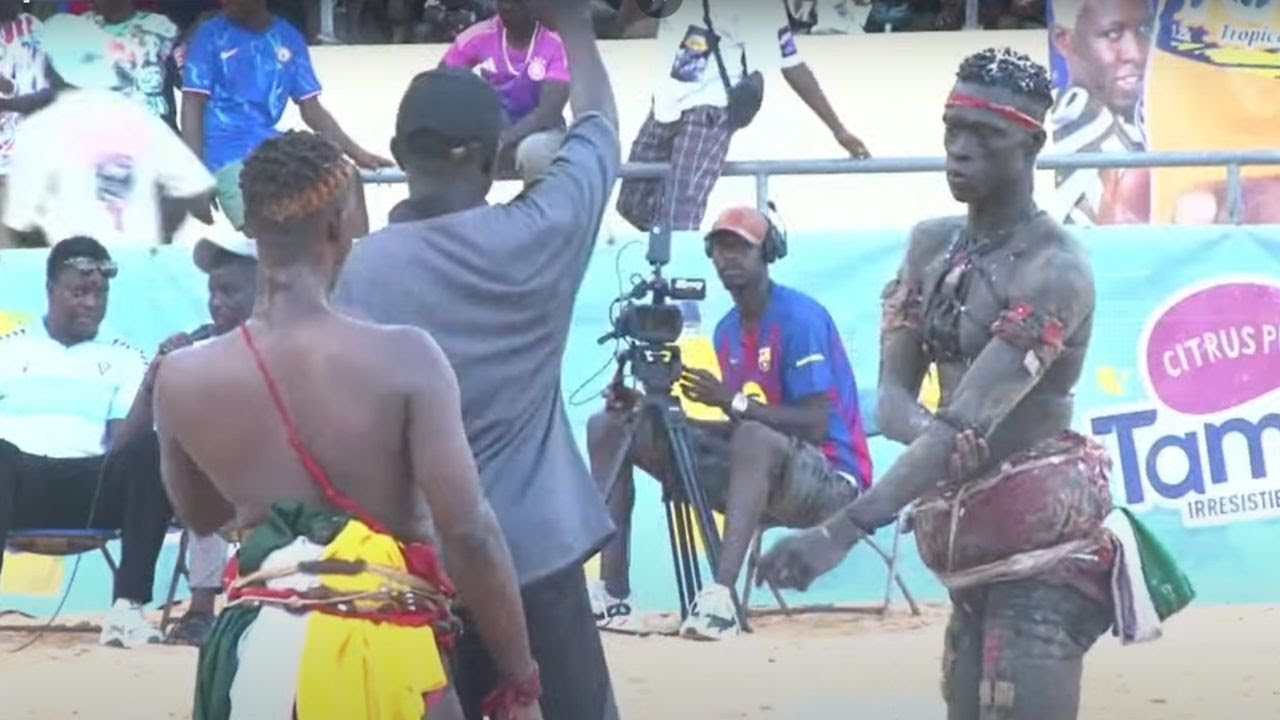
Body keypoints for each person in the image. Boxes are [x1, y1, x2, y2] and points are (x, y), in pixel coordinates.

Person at [758, 48, 1117, 719]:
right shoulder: (930, 244)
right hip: (972, 544)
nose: (959, 149)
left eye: (986, 135)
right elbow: (894, 401)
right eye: (953, 128)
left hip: (1043, 556)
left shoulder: (1055, 268)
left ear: (1033, 145)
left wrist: (838, 533)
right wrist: (940, 439)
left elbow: (969, 417)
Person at [152, 131, 542, 720]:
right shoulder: (408, 358)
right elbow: (469, 532)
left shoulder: (180, 376)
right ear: (340, 226)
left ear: (252, 231)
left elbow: (203, 517)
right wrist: (521, 679)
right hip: (385, 650)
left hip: (253, 658)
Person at [330, 1, 619, 716]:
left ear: (398, 157)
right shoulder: (544, 233)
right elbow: (599, 125)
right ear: (493, 158)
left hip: (419, 571)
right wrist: (573, 25)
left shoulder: (357, 275)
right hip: (539, 558)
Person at [587, 205, 873, 641]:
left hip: (832, 482)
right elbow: (736, 430)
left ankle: (720, 598)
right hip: (765, 473)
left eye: (741, 247)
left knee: (755, 436)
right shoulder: (726, 331)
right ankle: (613, 593)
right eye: (720, 249)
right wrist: (651, 411)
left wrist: (731, 400)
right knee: (611, 425)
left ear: (768, 253)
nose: (728, 258)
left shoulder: (800, 317)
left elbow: (814, 423)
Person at [0, 236, 173, 648]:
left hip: (89, 487)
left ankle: (127, 611)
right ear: (50, 290)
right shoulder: (8, 349)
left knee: (151, 450)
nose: (92, 303)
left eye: (100, 293)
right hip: (15, 483)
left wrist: (150, 387)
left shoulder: (125, 357)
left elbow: (122, 448)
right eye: (79, 292)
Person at [612, 0, 870, 232]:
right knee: (632, 206)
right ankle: (669, 252)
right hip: (666, 105)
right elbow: (625, 22)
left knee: (680, 218)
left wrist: (838, 129)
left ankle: (678, 272)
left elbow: (792, 64)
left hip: (710, 113)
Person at [2, 14, 215, 248]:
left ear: (49, 69)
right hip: (140, 262)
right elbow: (194, 189)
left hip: (74, 275)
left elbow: (19, 224)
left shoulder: (39, 130)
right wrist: (161, 233)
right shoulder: (139, 117)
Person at [180, 0, 391, 232]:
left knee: (348, 178)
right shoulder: (210, 35)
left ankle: (354, 265)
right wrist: (194, 177)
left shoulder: (288, 37)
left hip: (271, 147)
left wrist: (357, 153)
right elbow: (192, 104)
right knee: (268, 230)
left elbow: (311, 109)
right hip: (225, 153)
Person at [157, 224, 259, 647]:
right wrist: (163, 374)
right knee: (203, 465)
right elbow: (159, 436)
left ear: (265, 287)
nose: (217, 302)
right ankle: (201, 609)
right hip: (220, 486)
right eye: (212, 290)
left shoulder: (296, 345)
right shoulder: (195, 350)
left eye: (230, 291)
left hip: (288, 486)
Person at [1048, 0, 1152, 225]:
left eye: (1144, 30)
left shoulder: (1159, 125)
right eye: (1113, 34)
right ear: (1064, 40)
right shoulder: (1040, 128)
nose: (1135, 54)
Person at [441, 0, 570, 179]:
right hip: (494, 126)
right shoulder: (478, 35)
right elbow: (439, 86)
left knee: (534, 153)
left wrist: (503, 140)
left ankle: (541, 207)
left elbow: (548, 113)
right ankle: (469, 206)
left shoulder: (558, 42)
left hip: (543, 131)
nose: (507, 6)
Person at [0, 1, 48, 250]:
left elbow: (44, 96)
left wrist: (7, 94)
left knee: (47, 252)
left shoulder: (33, 30)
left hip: (33, 159)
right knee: (7, 258)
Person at [89, 0, 181, 127]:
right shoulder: (77, 31)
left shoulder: (161, 27)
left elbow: (189, 83)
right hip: (99, 132)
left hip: (157, 133)